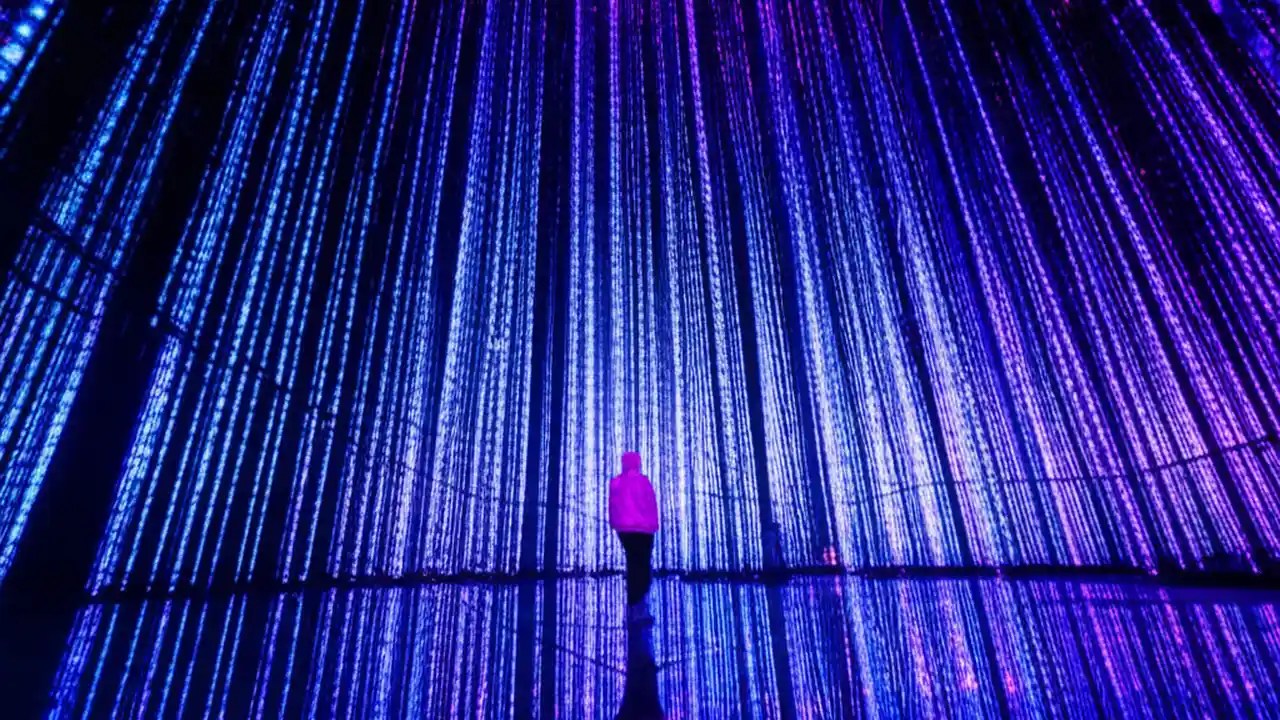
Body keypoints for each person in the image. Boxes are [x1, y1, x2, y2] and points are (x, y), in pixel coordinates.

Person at [608, 451, 658, 623]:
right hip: (643, 530)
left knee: (633, 565)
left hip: (625, 530)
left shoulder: (616, 482)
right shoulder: (643, 482)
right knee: (642, 567)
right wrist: (653, 526)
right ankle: (638, 609)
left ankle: (633, 608)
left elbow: (612, 506)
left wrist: (615, 524)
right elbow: (650, 505)